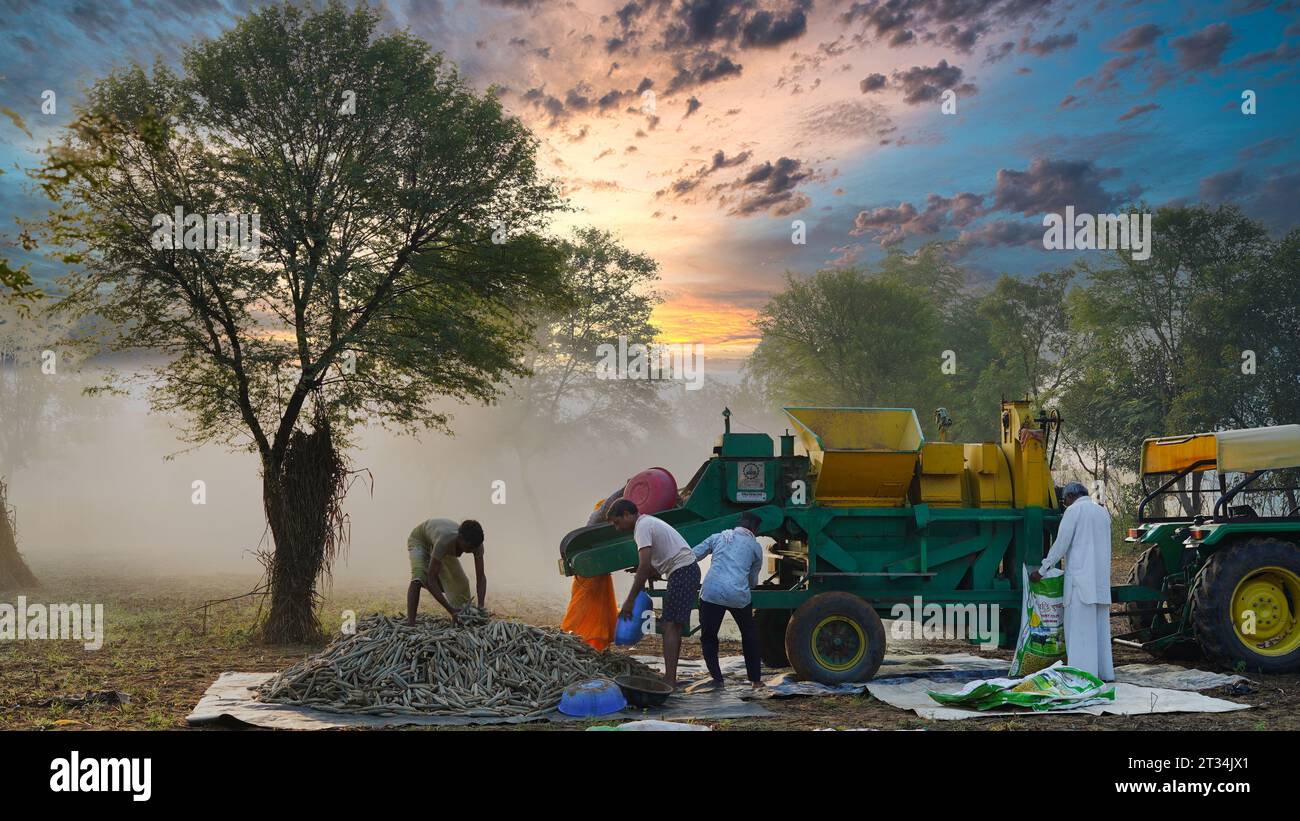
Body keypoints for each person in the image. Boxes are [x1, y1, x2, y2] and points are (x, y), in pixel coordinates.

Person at [609, 498, 700, 688]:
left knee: (670, 626)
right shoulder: (647, 523)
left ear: (627, 514)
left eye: (617, 522)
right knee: (671, 625)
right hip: (683, 569)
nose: (617, 528)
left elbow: (644, 566)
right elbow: (651, 566)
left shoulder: (642, 527)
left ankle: (670, 680)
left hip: (682, 570)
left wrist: (630, 601)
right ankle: (670, 677)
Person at [1030, 483, 1114, 680]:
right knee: (1099, 631)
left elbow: (1061, 544)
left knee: (1079, 631)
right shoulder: (1102, 512)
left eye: (1064, 500)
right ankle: (1104, 673)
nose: (1064, 504)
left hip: (1080, 581)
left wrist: (1042, 570)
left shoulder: (1074, 511)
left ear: (1070, 496)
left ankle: (1082, 675)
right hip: (1100, 582)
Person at [691, 511, 766, 689]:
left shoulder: (718, 537)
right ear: (754, 529)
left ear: (737, 525)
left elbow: (693, 555)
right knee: (749, 635)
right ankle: (755, 680)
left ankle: (717, 679)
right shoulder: (755, 547)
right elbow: (753, 581)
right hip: (739, 596)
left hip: (712, 593)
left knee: (709, 637)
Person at [406, 518, 486, 626]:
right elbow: (431, 579)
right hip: (420, 540)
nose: (470, 551)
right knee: (419, 577)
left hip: (441, 543)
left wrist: (480, 607)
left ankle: (460, 618)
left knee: (460, 583)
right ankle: (411, 623)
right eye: (468, 548)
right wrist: (450, 609)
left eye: (473, 549)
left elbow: (480, 578)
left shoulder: (476, 544)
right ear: (460, 538)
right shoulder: (444, 541)